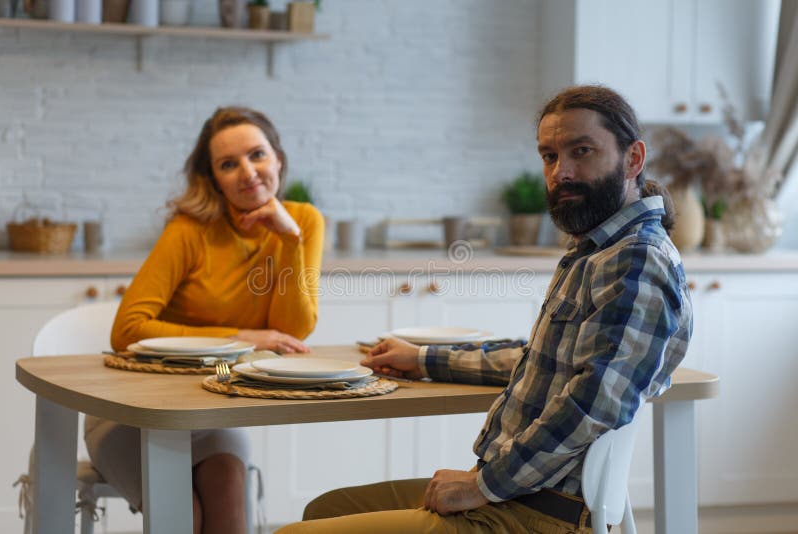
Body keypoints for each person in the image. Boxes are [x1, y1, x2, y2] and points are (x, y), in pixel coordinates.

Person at [275, 85, 691, 534]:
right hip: (521, 495)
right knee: (328, 509)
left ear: (633, 158)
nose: (560, 172)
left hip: (538, 513)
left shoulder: (636, 260)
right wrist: (424, 359)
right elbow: (542, 362)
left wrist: (483, 487)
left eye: (581, 151)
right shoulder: (598, 250)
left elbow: (592, 404)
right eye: (549, 156)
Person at [86, 106, 324, 534]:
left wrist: (289, 240)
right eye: (228, 165)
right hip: (136, 408)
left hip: (210, 405)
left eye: (257, 155)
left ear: (279, 159)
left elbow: (291, 332)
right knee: (186, 515)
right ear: (213, 177)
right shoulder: (189, 229)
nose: (248, 173)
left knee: (229, 493)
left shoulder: (301, 222)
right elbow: (127, 330)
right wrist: (241, 336)